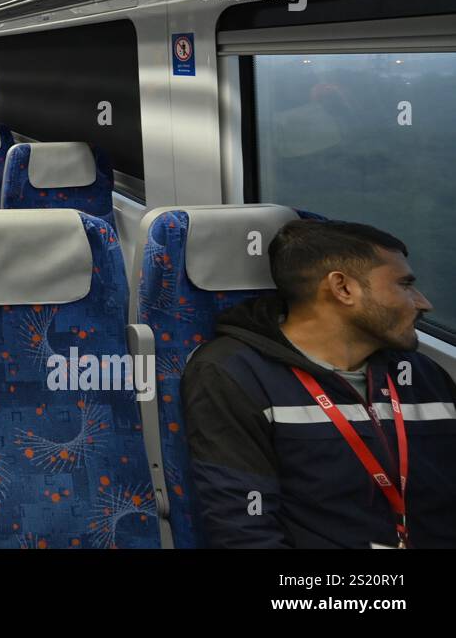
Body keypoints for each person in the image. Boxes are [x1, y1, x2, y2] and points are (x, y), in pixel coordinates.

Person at [182, 219, 456, 548]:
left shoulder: (421, 374)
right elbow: (245, 531)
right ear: (342, 288)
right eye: (404, 285)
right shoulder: (234, 374)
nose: (423, 302)